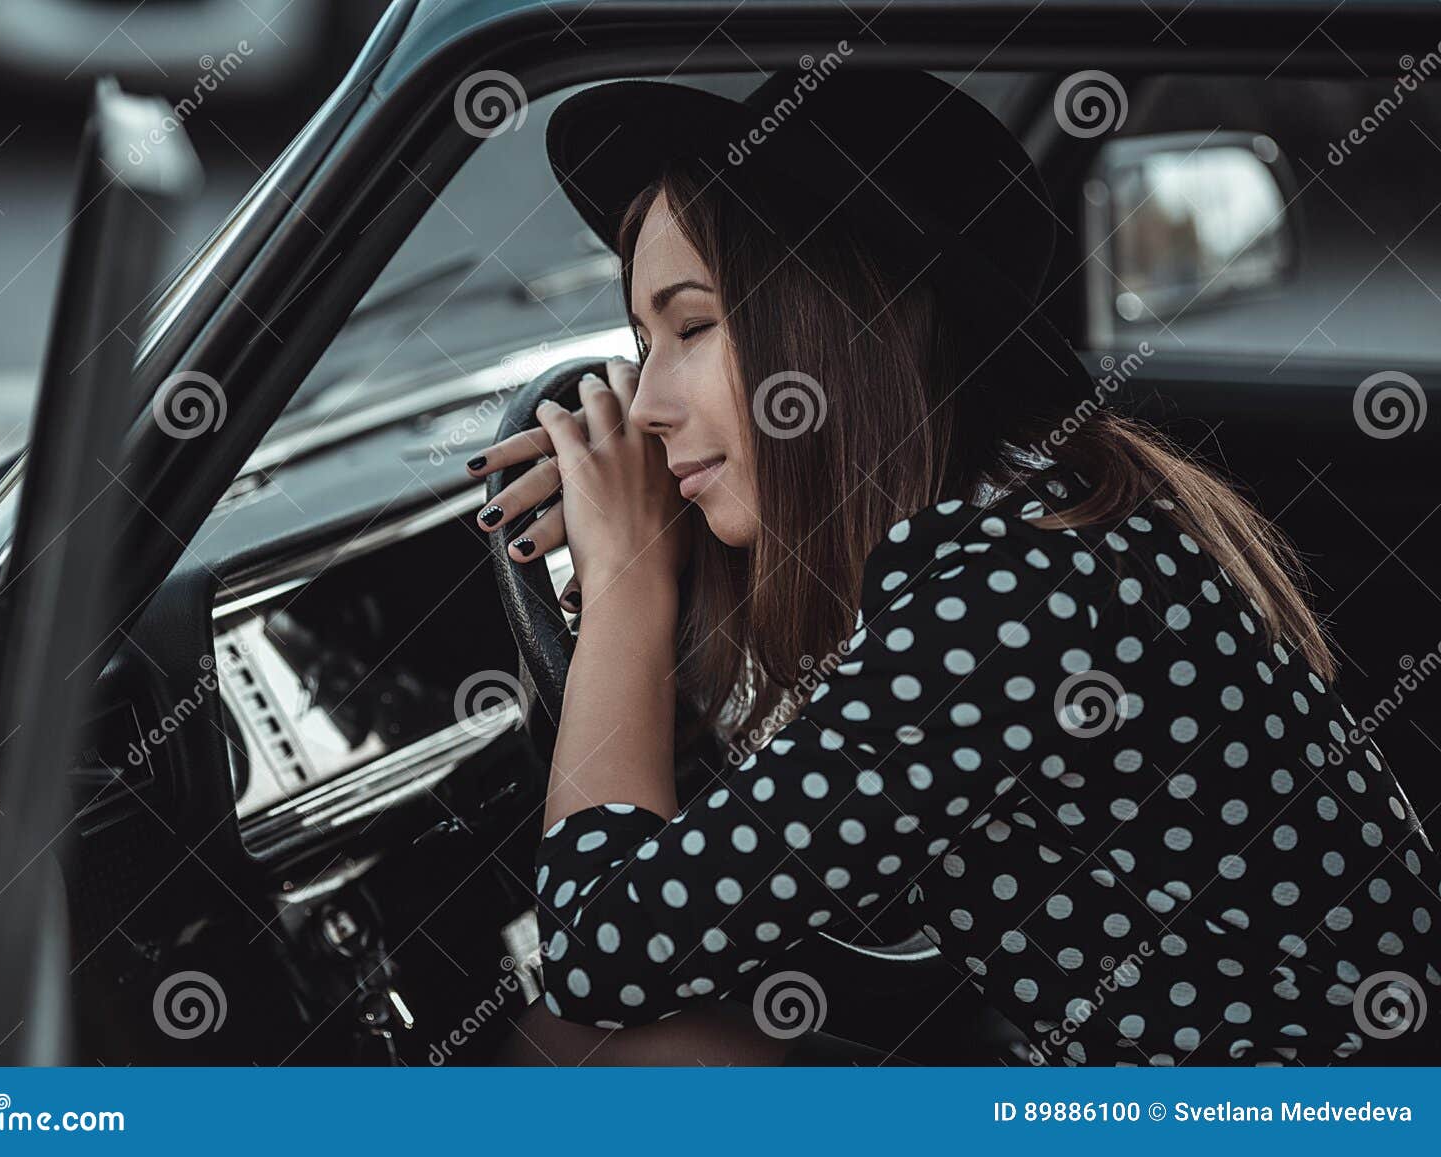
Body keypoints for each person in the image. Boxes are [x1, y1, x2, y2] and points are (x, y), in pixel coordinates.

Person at [467, 71, 1439, 1065]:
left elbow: (596, 952)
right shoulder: (1050, 519)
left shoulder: (1010, 601)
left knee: (582, 1052)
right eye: (640, 343)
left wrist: (628, 583)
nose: (643, 407)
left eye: (693, 327)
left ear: (846, 326)